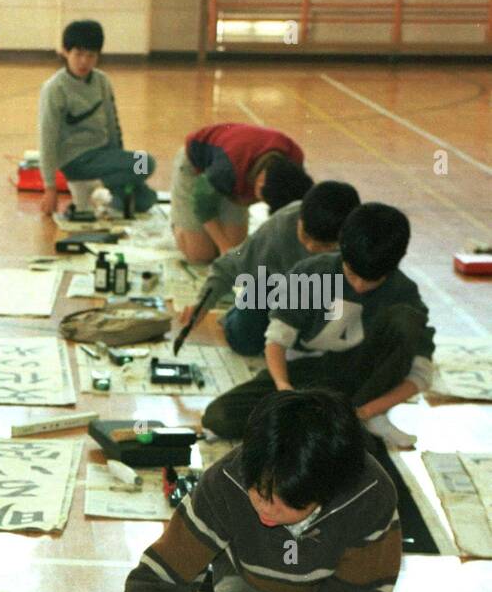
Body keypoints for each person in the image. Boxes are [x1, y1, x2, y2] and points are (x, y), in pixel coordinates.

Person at [89, 389, 397, 592]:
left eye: (286, 504)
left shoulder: (369, 494)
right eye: (259, 492)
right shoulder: (226, 481)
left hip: (336, 587)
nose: (265, 510)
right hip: (255, 581)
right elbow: (163, 574)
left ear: (325, 493)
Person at [202, 203, 434, 450]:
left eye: (371, 281)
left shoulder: (404, 293)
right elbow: (276, 341)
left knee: (406, 321)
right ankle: (329, 422)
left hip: (361, 383)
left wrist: (366, 411)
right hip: (303, 374)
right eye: (352, 274)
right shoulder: (312, 273)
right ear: (341, 248)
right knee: (220, 417)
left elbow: (420, 374)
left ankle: (362, 420)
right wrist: (283, 387)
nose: (358, 287)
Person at [180, 180, 360, 355]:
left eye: (326, 246)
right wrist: (202, 303)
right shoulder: (281, 226)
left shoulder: (360, 239)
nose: (311, 248)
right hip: (275, 287)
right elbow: (230, 265)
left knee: (329, 347)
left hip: (327, 298)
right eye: (305, 236)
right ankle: (237, 313)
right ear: (299, 218)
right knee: (244, 340)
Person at [38, 20, 156, 217]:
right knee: (146, 162)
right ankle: (90, 185)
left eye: (91, 55)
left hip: (102, 155)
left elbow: (112, 124)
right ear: (66, 52)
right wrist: (50, 187)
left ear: (98, 56)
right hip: (75, 160)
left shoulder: (102, 81)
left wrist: (120, 161)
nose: (84, 61)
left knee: (145, 200)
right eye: (78, 54)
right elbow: (47, 139)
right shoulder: (54, 89)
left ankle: (100, 190)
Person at [170, 122, 311, 263]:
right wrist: (223, 245)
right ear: (259, 183)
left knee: (237, 249)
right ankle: (178, 225)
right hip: (196, 167)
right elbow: (202, 205)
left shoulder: (294, 158)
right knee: (201, 255)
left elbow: (295, 208)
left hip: (237, 174)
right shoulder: (227, 168)